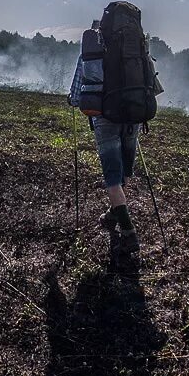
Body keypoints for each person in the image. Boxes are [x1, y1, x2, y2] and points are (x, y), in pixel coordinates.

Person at [68, 19, 140, 255]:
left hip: (105, 118)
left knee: (112, 177)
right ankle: (111, 215)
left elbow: (77, 95)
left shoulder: (92, 51)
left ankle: (128, 231)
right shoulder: (132, 49)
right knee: (124, 172)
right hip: (132, 116)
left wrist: (74, 99)